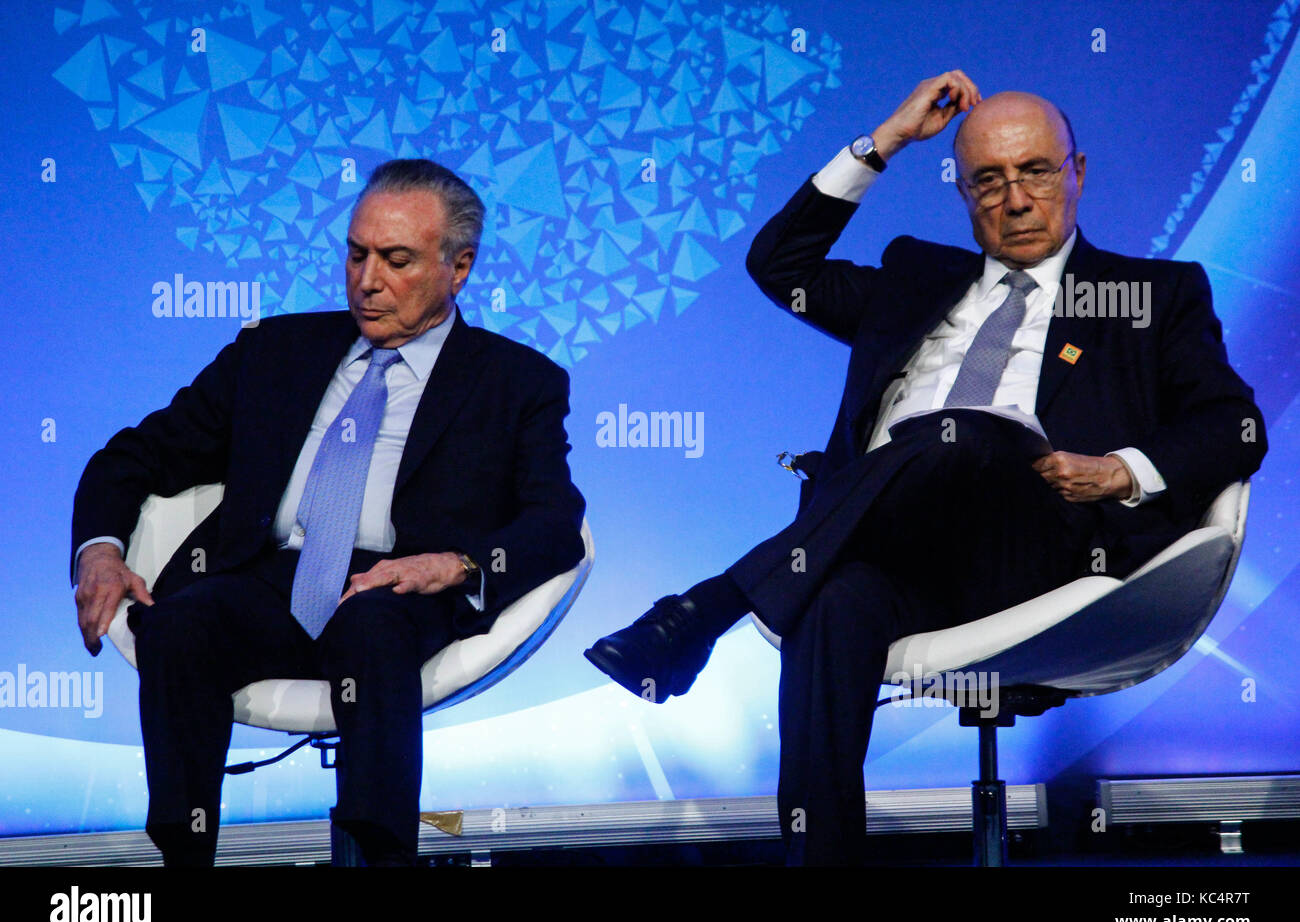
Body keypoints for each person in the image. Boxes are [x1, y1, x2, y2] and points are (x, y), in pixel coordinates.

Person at [584, 72, 1267, 865]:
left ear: (1077, 174)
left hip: (1042, 546)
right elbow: (780, 266)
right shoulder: (916, 282)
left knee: (963, 430)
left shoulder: (1148, 293)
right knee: (834, 602)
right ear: (963, 193)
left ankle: (705, 610)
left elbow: (1236, 426)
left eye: (1037, 172)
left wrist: (1121, 469)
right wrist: (886, 141)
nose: (1015, 200)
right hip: (898, 550)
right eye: (988, 180)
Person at [72, 159, 586, 866]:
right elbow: (135, 455)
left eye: (396, 259)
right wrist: (100, 550)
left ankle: (382, 856)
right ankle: (183, 860)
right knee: (181, 623)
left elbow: (555, 523)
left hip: (400, 589)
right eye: (356, 253)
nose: (366, 280)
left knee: (372, 625)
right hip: (268, 579)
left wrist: (457, 565)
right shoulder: (273, 352)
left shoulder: (517, 381)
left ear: (458, 267)